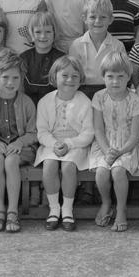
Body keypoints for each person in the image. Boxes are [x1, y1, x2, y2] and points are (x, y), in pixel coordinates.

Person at [35, 56, 94, 232]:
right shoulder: (45, 101)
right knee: (49, 165)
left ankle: (67, 209)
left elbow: (88, 133)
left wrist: (69, 144)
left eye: (75, 76)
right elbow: (42, 131)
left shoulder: (84, 102)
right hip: (52, 143)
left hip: (76, 144)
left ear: (80, 79)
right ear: (54, 77)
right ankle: (54, 208)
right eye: (65, 75)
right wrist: (54, 144)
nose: (70, 80)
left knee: (69, 166)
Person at [89, 52, 139, 233]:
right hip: (104, 143)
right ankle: (106, 202)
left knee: (118, 171)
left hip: (127, 145)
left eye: (121, 76)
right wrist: (107, 151)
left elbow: (135, 135)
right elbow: (98, 129)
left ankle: (121, 209)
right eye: (110, 76)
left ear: (128, 77)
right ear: (103, 77)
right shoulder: (99, 97)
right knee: (102, 172)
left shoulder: (135, 100)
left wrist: (120, 152)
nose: (115, 81)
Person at [0, 52, 38, 233]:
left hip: (21, 148)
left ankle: (13, 211)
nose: (10, 82)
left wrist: (20, 142)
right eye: (5, 77)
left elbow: (34, 132)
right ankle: (0, 210)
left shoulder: (26, 102)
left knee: (11, 160)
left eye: (15, 77)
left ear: (21, 78)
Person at [69, 0, 126, 100]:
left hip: (109, 91)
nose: (97, 21)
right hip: (82, 91)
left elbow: (122, 73)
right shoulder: (76, 45)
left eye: (103, 17)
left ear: (110, 19)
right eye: (92, 17)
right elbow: (72, 73)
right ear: (84, 18)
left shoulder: (118, 46)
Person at [19, 11, 65, 106]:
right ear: (31, 34)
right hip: (28, 107)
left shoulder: (62, 59)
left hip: (53, 107)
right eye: (38, 32)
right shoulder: (23, 58)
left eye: (48, 32)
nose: (43, 36)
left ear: (54, 33)